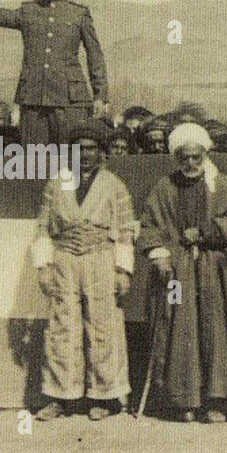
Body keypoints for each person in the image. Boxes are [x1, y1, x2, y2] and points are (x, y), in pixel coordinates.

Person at [138, 123, 227, 422]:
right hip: (178, 273)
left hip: (217, 269)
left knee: (220, 328)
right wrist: (160, 255)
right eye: (184, 158)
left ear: (205, 154)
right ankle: (184, 400)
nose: (190, 163)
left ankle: (220, 400)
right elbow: (150, 224)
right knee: (180, 327)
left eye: (195, 157)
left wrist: (203, 233)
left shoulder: (223, 185)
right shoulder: (165, 187)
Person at [30, 119, 137, 420]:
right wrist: (43, 266)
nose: (85, 154)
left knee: (102, 326)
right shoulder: (57, 183)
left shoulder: (114, 185)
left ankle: (104, 396)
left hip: (101, 258)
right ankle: (60, 397)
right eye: (79, 148)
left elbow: (127, 229)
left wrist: (123, 270)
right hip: (64, 260)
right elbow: (43, 227)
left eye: (91, 148)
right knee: (63, 327)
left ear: (101, 152)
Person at [0, 0, 108, 147]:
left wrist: (100, 95)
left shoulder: (78, 13)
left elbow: (95, 55)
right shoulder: (28, 11)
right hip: (33, 99)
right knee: (34, 159)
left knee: (71, 155)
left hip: (70, 101)